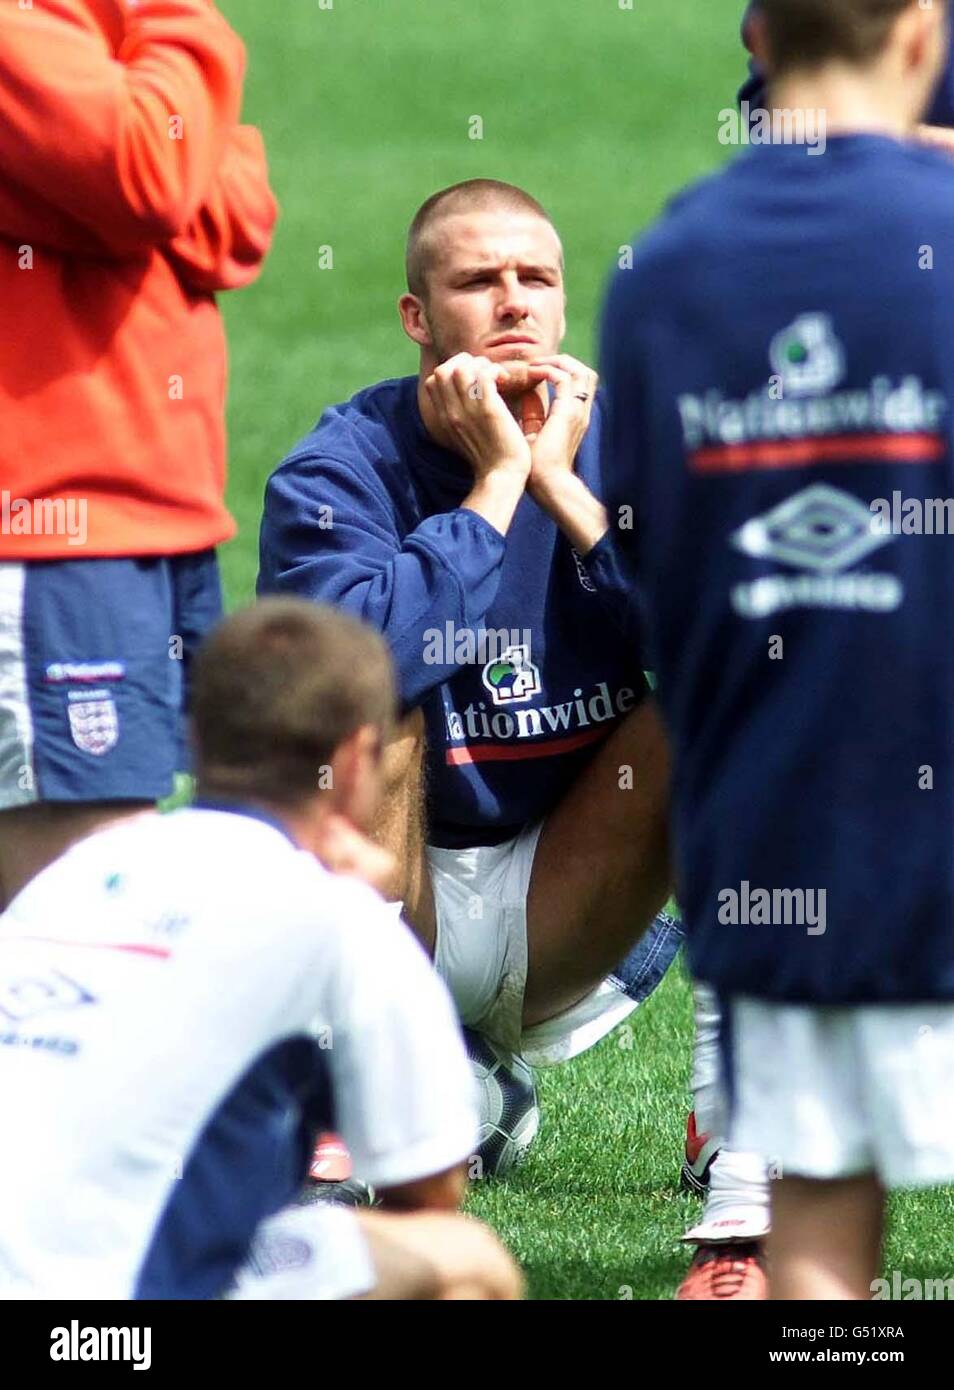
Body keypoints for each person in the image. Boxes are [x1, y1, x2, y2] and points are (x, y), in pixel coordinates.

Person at [601, 0, 954, 1300]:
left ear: (753, 38)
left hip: (782, 804)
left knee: (811, 1234)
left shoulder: (667, 263)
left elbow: (649, 551)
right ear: (920, 36)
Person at [258, 180, 682, 1183]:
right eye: (477, 281)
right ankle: (362, 1105)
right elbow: (354, 671)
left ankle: (741, 1149)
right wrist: (495, 488)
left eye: (535, 278)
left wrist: (568, 497)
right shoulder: (336, 468)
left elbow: (734, 653)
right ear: (416, 315)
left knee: (720, 709)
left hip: (566, 906)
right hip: (393, 902)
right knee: (365, 696)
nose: (513, 302)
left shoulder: (628, 450)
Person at [0, 598, 521, 1301]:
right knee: (464, 1261)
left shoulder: (67, 877)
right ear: (355, 758)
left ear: (194, 734)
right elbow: (427, 1188)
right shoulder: (342, 919)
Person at [0, 0, 277, 908]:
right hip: (49, 526)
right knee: (82, 905)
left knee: (144, 862)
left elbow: (237, 216)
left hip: (146, 517)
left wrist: (159, 142)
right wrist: (163, 17)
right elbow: (153, 171)